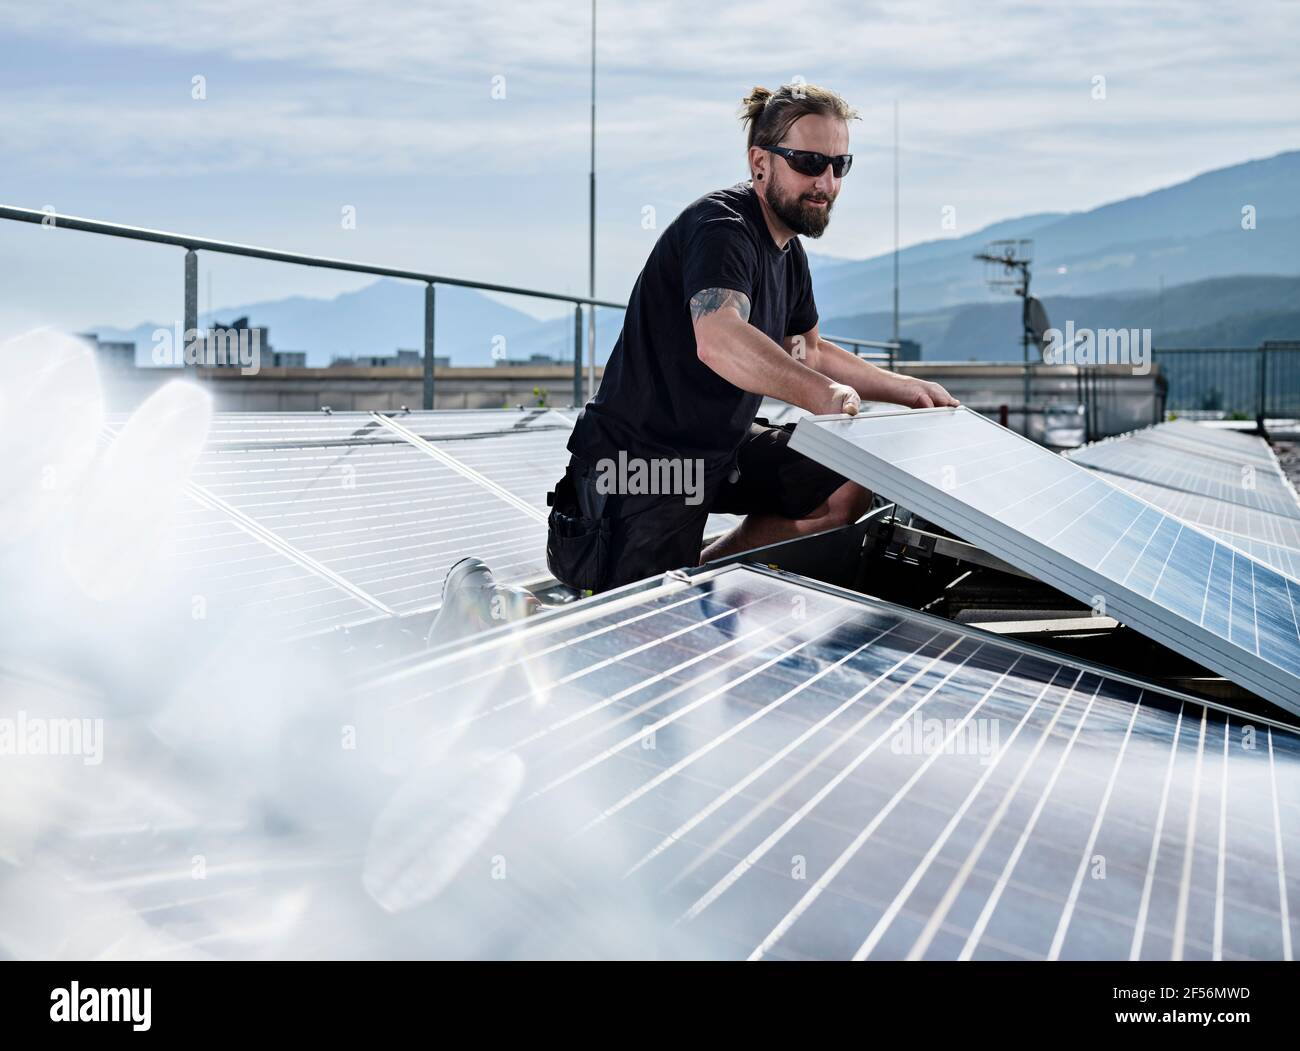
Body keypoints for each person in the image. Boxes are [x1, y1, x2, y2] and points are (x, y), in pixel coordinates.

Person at [429, 82, 958, 643]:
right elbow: (720, 338)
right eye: (809, 163)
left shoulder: (788, 253)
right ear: (760, 163)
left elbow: (809, 351)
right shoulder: (721, 228)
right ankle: (480, 600)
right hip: (640, 464)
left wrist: (908, 389)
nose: (826, 183)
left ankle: (697, 574)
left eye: (838, 165)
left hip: (717, 451)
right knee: (634, 639)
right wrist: (822, 395)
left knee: (848, 480)